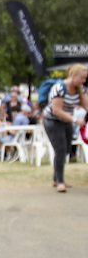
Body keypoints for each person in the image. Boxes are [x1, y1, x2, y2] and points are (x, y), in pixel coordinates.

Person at [42, 64, 88, 193]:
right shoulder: (59, 88)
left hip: (66, 121)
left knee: (67, 149)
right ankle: (60, 182)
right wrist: (75, 120)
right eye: (82, 78)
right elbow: (57, 110)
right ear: (73, 76)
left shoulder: (80, 89)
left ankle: (56, 178)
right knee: (60, 149)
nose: (84, 81)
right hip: (53, 121)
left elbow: (86, 104)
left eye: (85, 79)